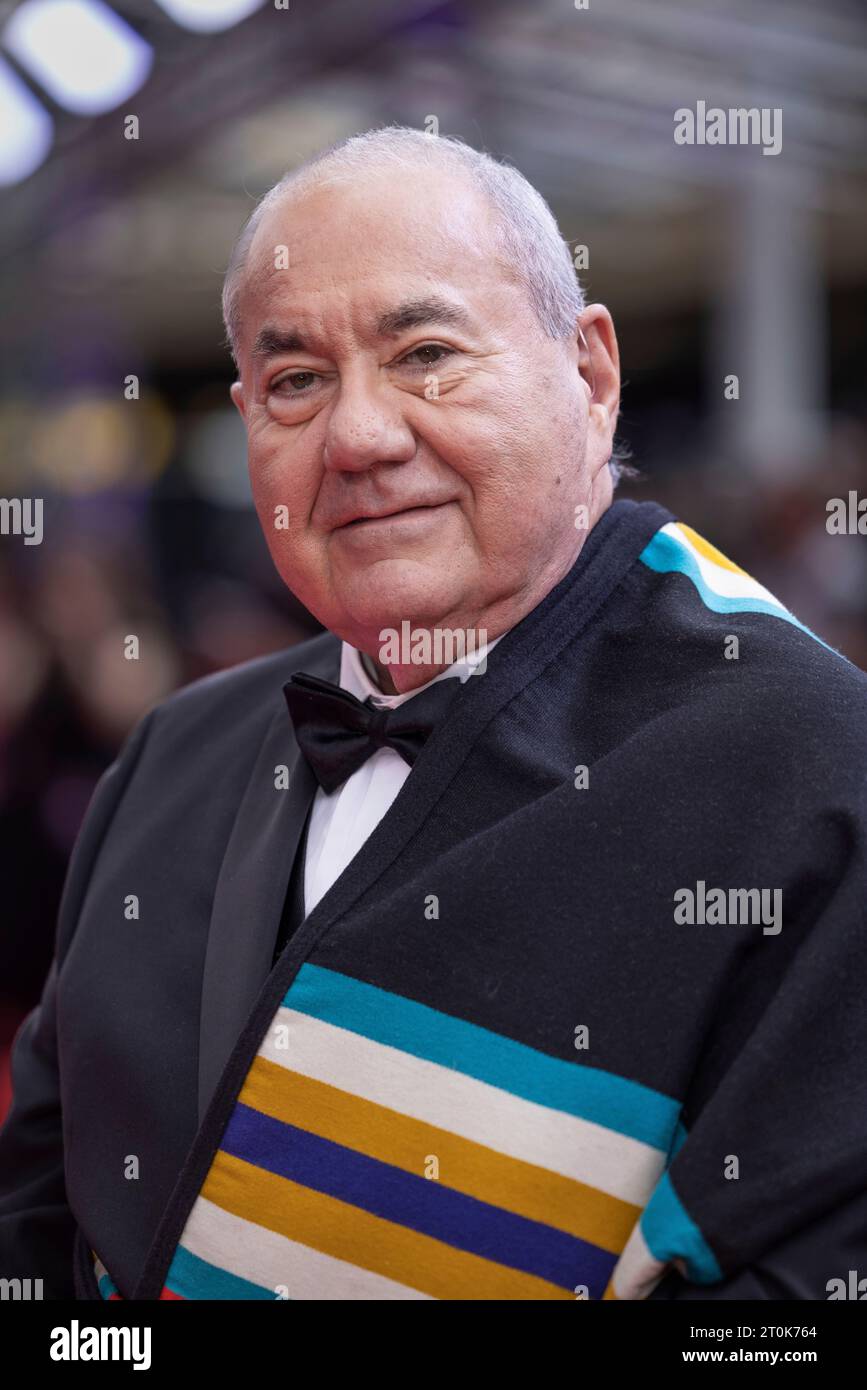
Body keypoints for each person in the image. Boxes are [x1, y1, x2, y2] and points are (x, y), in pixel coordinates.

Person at [1, 126, 865, 1302]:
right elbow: (42, 1216)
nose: (357, 437)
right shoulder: (177, 750)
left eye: (425, 353)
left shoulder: (813, 766)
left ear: (591, 375)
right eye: (295, 381)